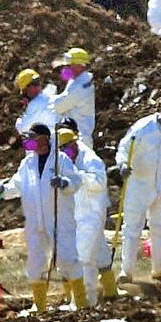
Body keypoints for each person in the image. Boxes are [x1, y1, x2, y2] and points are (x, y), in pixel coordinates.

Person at [3, 123, 83, 311]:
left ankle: (81, 302)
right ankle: (39, 306)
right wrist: (2, 191)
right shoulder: (28, 163)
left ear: (44, 139)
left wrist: (64, 182)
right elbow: (16, 185)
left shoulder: (60, 160)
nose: (29, 142)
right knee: (36, 262)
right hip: (35, 221)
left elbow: (76, 181)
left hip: (59, 218)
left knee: (67, 258)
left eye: (33, 138)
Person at [115, 103, 161, 281]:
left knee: (160, 229)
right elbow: (124, 148)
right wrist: (123, 165)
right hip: (139, 185)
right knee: (132, 229)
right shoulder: (144, 127)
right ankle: (127, 271)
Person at [59, 119, 116, 305]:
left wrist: (78, 177)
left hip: (91, 212)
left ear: (74, 143)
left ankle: (85, 301)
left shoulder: (89, 158)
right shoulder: (65, 160)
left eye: (67, 149)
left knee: (84, 258)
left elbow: (99, 182)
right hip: (80, 213)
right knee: (99, 252)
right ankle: (110, 292)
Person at [49, 48, 96, 148]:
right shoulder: (82, 79)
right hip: (76, 135)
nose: (67, 67)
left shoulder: (79, 87)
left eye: (70, 64)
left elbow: (59, 106)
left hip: (80, 139)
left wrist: (46, 99)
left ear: (79, 65)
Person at [14, 69, 58, 137]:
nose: (37, 86)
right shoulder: (48, 94)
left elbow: (23, 129)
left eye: (37, 83)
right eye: (35, 83)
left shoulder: (35, 104)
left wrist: (19, 120)